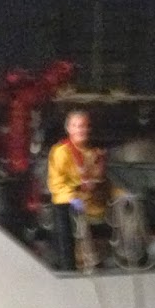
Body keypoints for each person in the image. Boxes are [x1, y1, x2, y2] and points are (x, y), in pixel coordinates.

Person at [47, 109, 110, 272]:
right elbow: (56, 184)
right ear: (69, 129)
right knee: (70, 217)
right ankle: (71, 265)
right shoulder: (61, 152)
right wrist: (72, 197)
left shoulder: (94, 153)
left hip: (94, 203)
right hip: (69, 204)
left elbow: (103, 182)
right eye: (76, 126)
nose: (80, 130)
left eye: (83, 126)